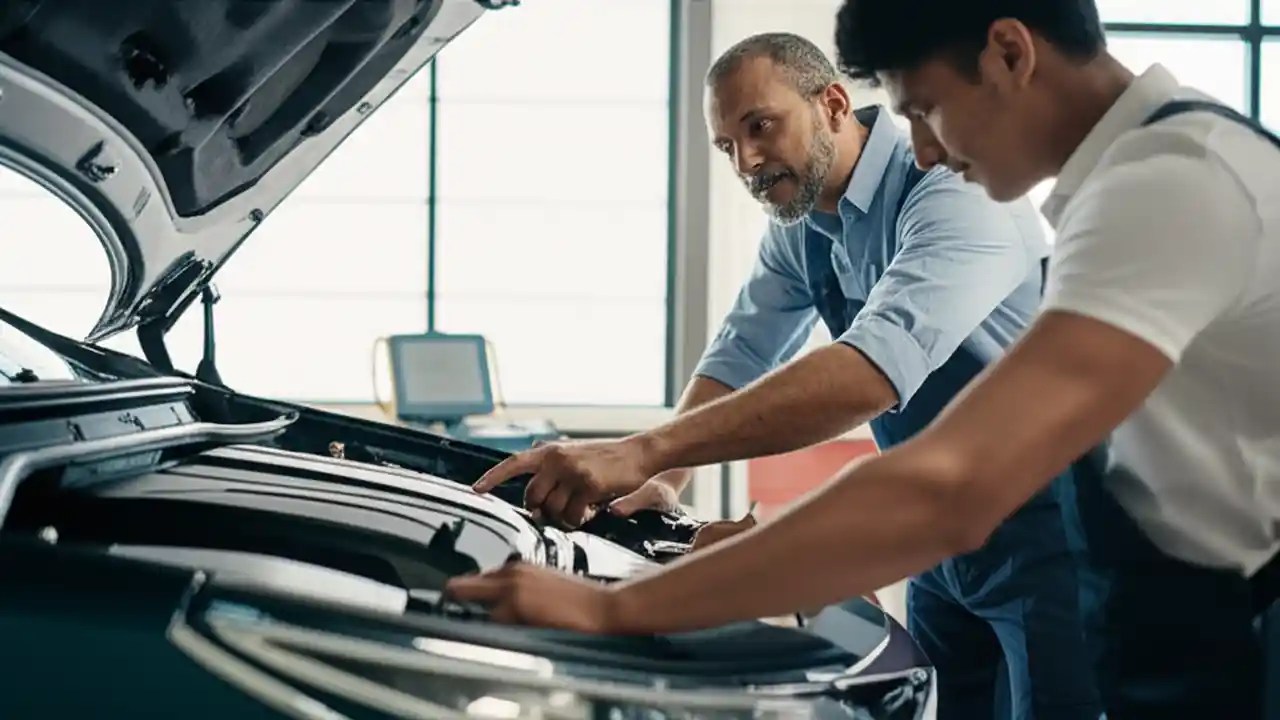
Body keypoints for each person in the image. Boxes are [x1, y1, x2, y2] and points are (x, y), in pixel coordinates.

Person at [448, 2, 1280, 717]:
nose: (920, 147)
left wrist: (616, 608)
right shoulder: (1144, 173)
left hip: (1174, 599)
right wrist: (663, 477)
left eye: (926, 110)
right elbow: (747, 348)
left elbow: (945, 480)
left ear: (1010, 54)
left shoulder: (1163, 187)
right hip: (1146, 593)